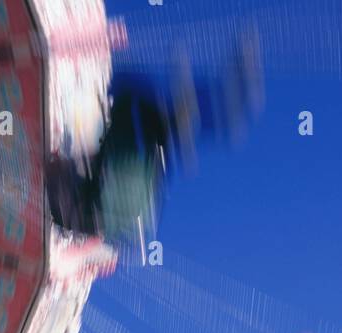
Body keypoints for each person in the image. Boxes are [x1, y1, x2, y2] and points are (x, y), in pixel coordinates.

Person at [47, 30, 263, 242]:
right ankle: (214, 105)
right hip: (93, 198)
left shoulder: (139, 139)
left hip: (79, 199)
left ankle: (213, 106)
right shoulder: (144, 145)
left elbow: (123, 88)